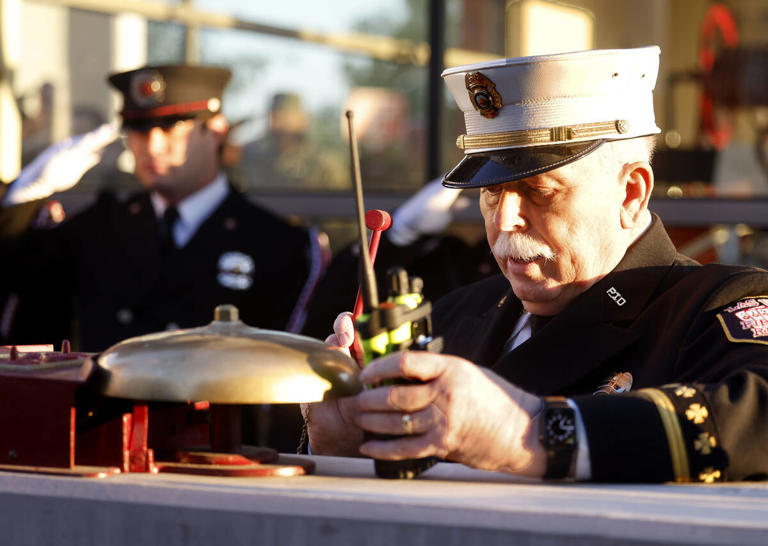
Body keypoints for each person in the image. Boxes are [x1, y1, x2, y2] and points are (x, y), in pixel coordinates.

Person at [304, 46, 768, 483]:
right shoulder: (456, 315)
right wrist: (346, 448)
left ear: (630, 194)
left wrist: (531, 433)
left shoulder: (715, 309)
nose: (504, 220)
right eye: (490, 193)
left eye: (540, 191)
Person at [0, 65, 326, 450]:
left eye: (171, 128)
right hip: (103, 448)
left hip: (220, 460)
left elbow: (298, 383)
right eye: (139, 130)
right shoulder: (98, 226)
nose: (152, 146)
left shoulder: (280, 243)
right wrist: (24, 197)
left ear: (215, 130)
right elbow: (16, 279)